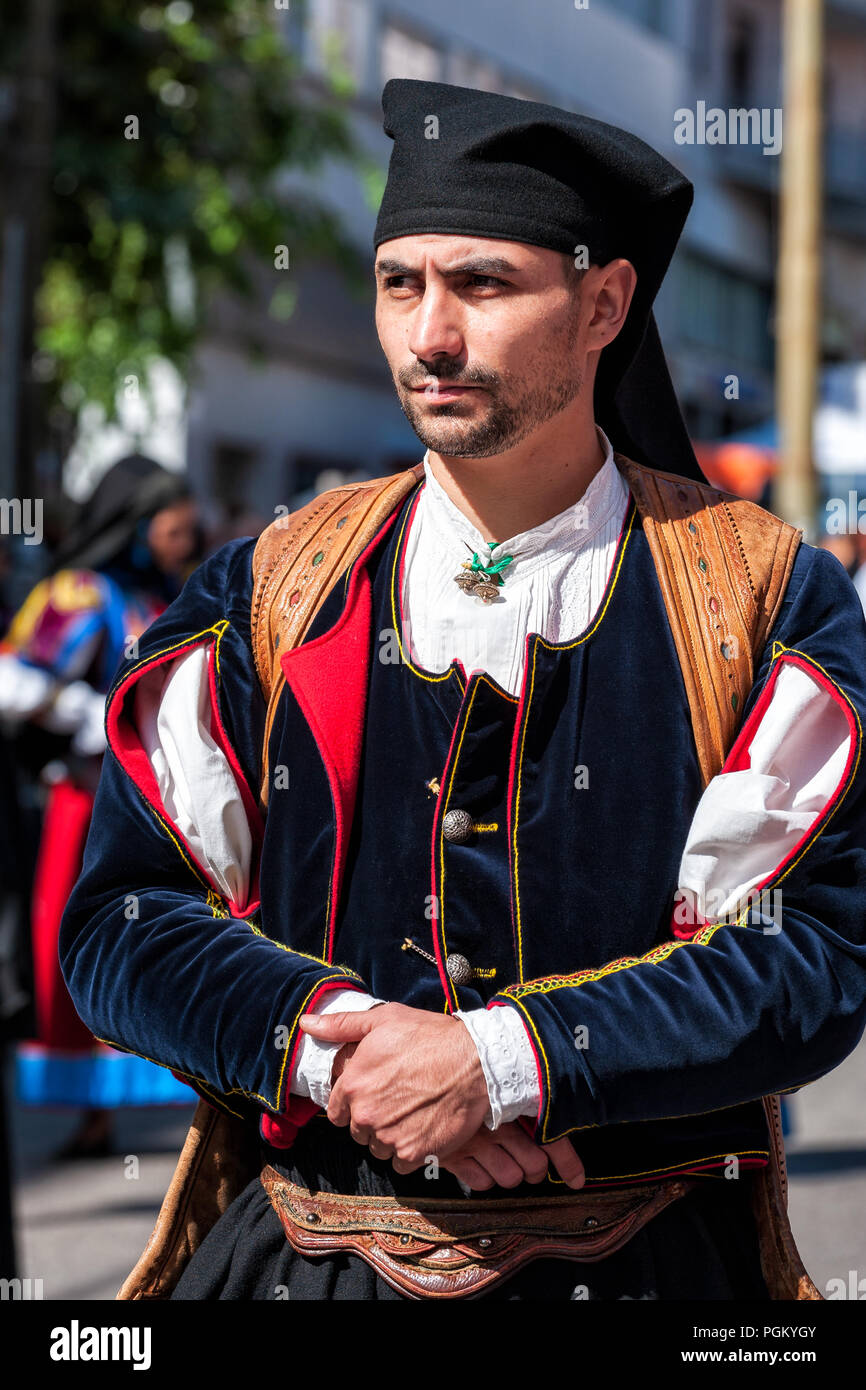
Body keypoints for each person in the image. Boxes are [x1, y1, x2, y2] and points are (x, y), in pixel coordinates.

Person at [60, 82, 866, 1299]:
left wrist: (507, 1061)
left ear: (604, 304)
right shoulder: (272, 586)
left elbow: (812, 952)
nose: (427, 334)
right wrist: (342, 1060)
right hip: (307, 1263)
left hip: (649, 1271)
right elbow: (120, 919)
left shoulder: (756, 599)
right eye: (399, 283)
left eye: (481, 284)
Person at [0, 454, 202, 1157]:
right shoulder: (80, 595)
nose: (190, 538)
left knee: (160, 943)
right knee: (84, 943)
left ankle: (142, 1105)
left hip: (162, 806)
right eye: (176, 528)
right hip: (88, 804)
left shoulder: (171, 595)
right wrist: (90, 712)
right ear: (142, 526)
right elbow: (13, 678)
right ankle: (94, 1113)